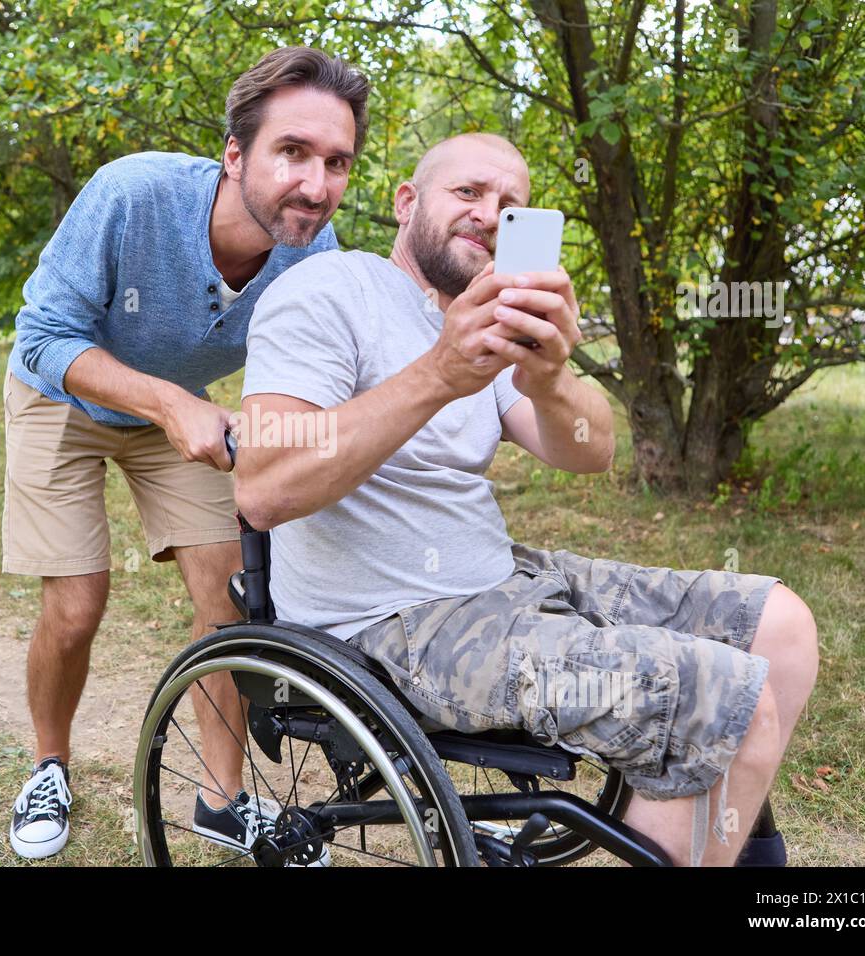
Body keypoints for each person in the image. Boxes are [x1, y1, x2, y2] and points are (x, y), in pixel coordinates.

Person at [233, 132, 819, 866]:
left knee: (782, 627)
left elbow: (591, 449)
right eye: (469, 193)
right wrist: (441, 373)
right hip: (389, 626)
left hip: (503, 584)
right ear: (407, 203)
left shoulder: (492, 319)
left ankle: (703, 841)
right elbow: (262, 488)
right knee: (718, 696)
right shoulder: (329, 292)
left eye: (512, 206)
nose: (490, 213)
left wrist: (548, 381)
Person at [2, 46, 369, 861]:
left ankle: (221, 800)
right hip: (62, 395)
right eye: (293, 152)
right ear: (235, 155)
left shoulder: (318, 252)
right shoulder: (134, 193)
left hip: (185, 416)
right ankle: (48, 765)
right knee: (76, 604)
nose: (315, 183)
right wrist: (170, 402)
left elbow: (343, 363)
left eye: (337, 161)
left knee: (229, 603)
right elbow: (40, 338)